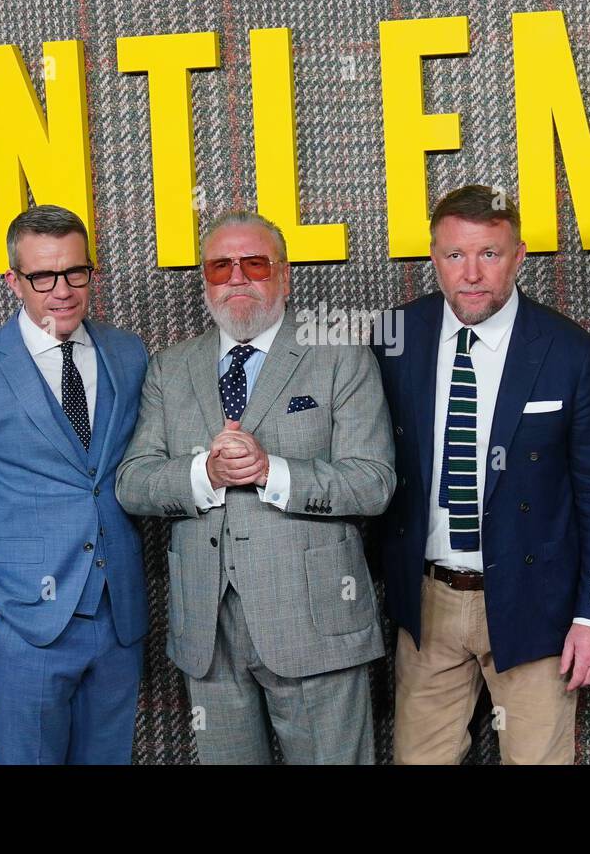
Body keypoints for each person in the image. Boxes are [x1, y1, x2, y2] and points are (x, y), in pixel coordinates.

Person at [116, 211, 394, 764]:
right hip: (207, 637)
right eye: (221, 267)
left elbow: (374, 482)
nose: (237, 278)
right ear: (204, 280)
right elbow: (132, 482)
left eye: (254, 263)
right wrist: (205, 475)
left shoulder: (341, 356)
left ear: (284, 275)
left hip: (315, 627)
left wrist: (272, 471)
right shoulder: (171, 368)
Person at [372, 185, 590, 764]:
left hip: (537, 603)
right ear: (433, 257)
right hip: (427, 602)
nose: (471, 274)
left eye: (489, 254)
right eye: (454, 255)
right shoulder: (396, 339)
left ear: (519, 256)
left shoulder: (567, 350)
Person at [0, 204, 149, 764]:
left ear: (91, 271)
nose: (61, 290)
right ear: (14, 281)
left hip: (120, 621)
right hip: (23, 625)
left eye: (74, 272)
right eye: (43, 276)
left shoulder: (128, 353)